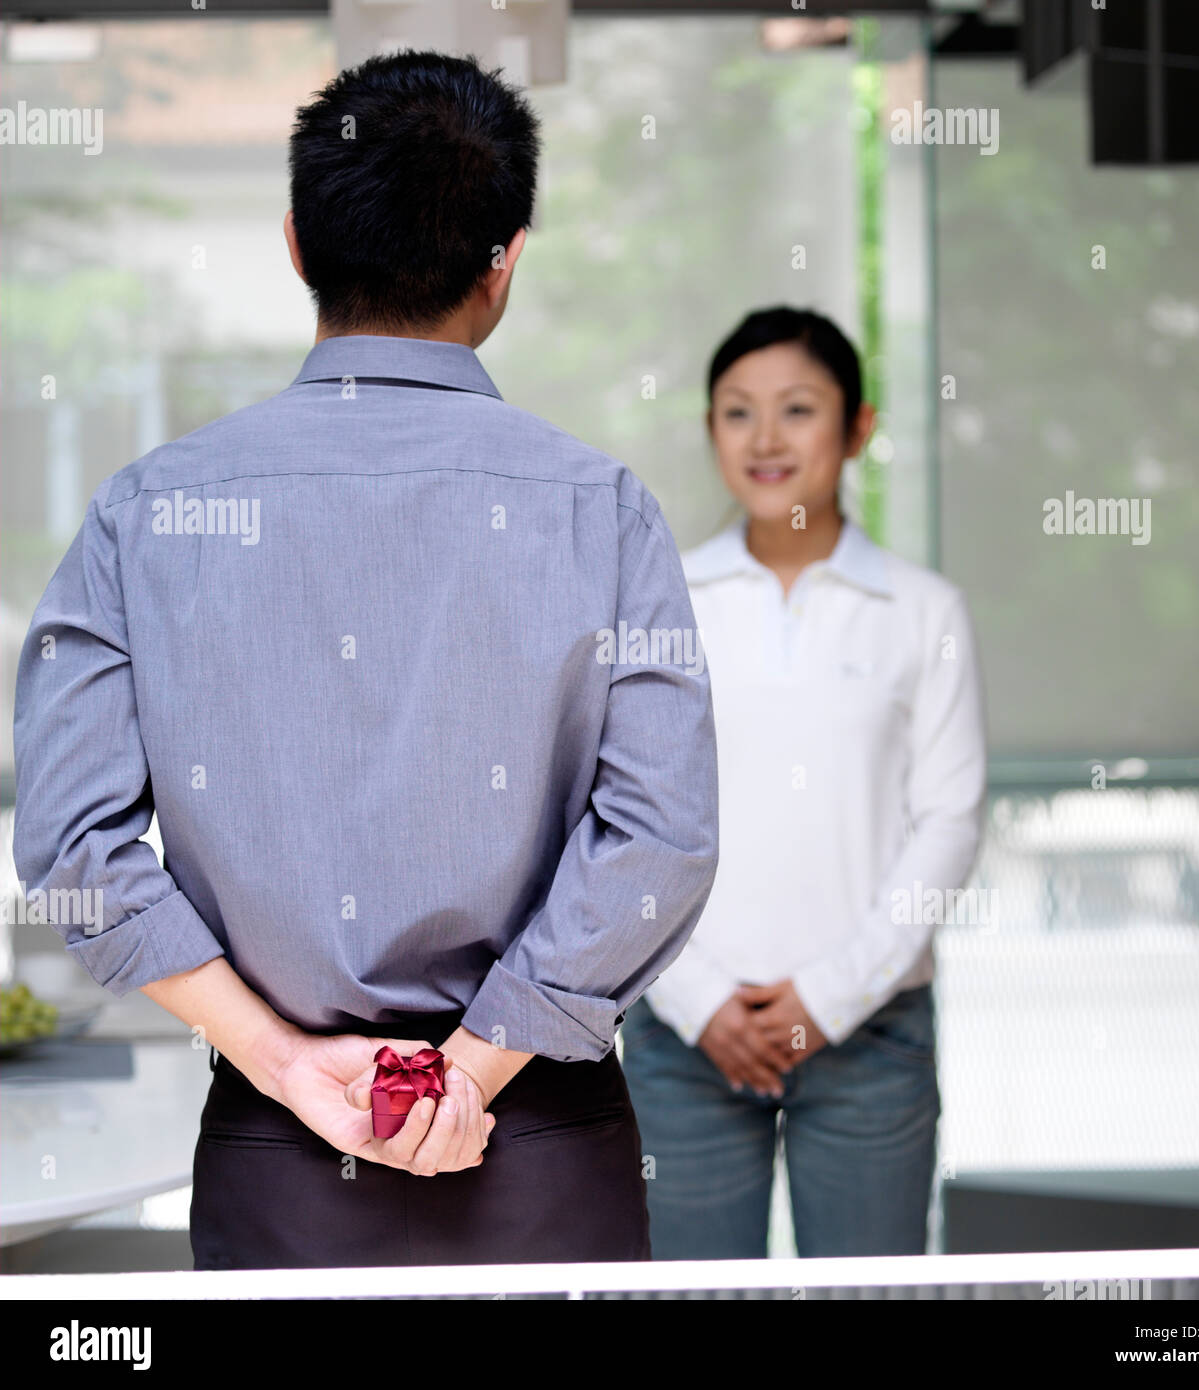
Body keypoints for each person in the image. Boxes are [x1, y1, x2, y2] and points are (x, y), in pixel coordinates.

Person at [11, 50, 719, 1269]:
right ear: (505, 264)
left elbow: (74, 849)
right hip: (540, 1145)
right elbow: (659, 838)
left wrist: (286, 1062)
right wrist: (476, 1064)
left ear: (297, 243)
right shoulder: (598, 508)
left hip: (279, 1144)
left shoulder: (148, 508)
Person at [619, 306, 986, 1258]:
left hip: (870, 1036)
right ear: (710, 433)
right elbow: (617, 815)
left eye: (798, 409)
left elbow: (949, 823)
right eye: (738, 413)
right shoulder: (663, 605)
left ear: (858, 427)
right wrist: (695, 997)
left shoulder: (921, 611)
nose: (767, 439)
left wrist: (828, 998)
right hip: (685, 1031)